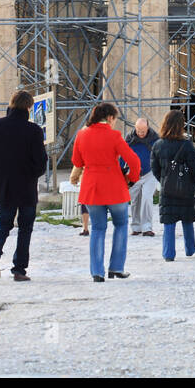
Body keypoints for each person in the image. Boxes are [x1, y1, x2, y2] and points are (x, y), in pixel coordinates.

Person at [0, 90, 48, 282]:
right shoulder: (33, 130)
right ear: (29, 107)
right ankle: (19, 269)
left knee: (3, 223)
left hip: (4, 184)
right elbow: (41, 161)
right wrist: (32, 174)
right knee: (25, 228)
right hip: (26, 186)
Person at [71, 102, 141, 282]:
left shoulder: (81, 135)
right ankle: (116, 267)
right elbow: (133, 161)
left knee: (97, 229)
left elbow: (77, 161)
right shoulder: (114, 135)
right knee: (121, 225)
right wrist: (132, 179)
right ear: (110, 117)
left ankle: (97, 271)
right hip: (115, 187)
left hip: (92, 187)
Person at [150, 110, 195, 261]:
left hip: (168, 189)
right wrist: (192, 182)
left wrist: (164, 180)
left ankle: (168, 253)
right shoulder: (187, 145)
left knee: (169, 222)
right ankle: (190, 249)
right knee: (187, 218)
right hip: (185, 189)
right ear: (181, 126)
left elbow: (154, 168)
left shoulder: (158, 145)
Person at [125, 117, 159, 237]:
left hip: (150, 173)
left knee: (147, 198)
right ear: (135, 128)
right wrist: (122, 172)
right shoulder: (129, 138)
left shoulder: (155, 138)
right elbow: (122, 155)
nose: (140, 133)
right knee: (135, 200)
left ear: (148, 128)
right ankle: (136, 227)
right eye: (138, 130)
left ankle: (147, 227)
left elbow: (159, 155)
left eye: (143, 131)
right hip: (133, 173)